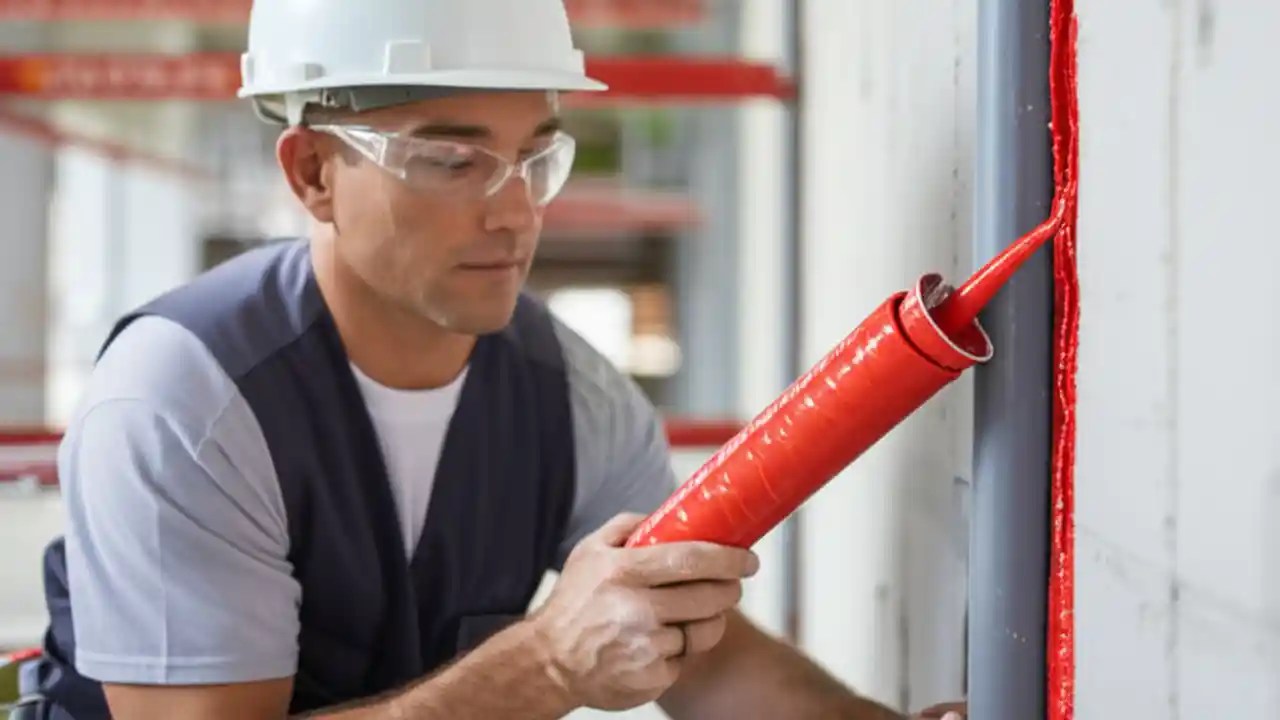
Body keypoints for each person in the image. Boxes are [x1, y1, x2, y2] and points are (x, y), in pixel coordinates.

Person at [33, 1, 967, 718]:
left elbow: (696, 646)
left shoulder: (572, 398)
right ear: (313, 172)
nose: (516, 212)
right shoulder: (181, 405)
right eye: (452, 160)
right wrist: (551, 662)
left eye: (537, 157)